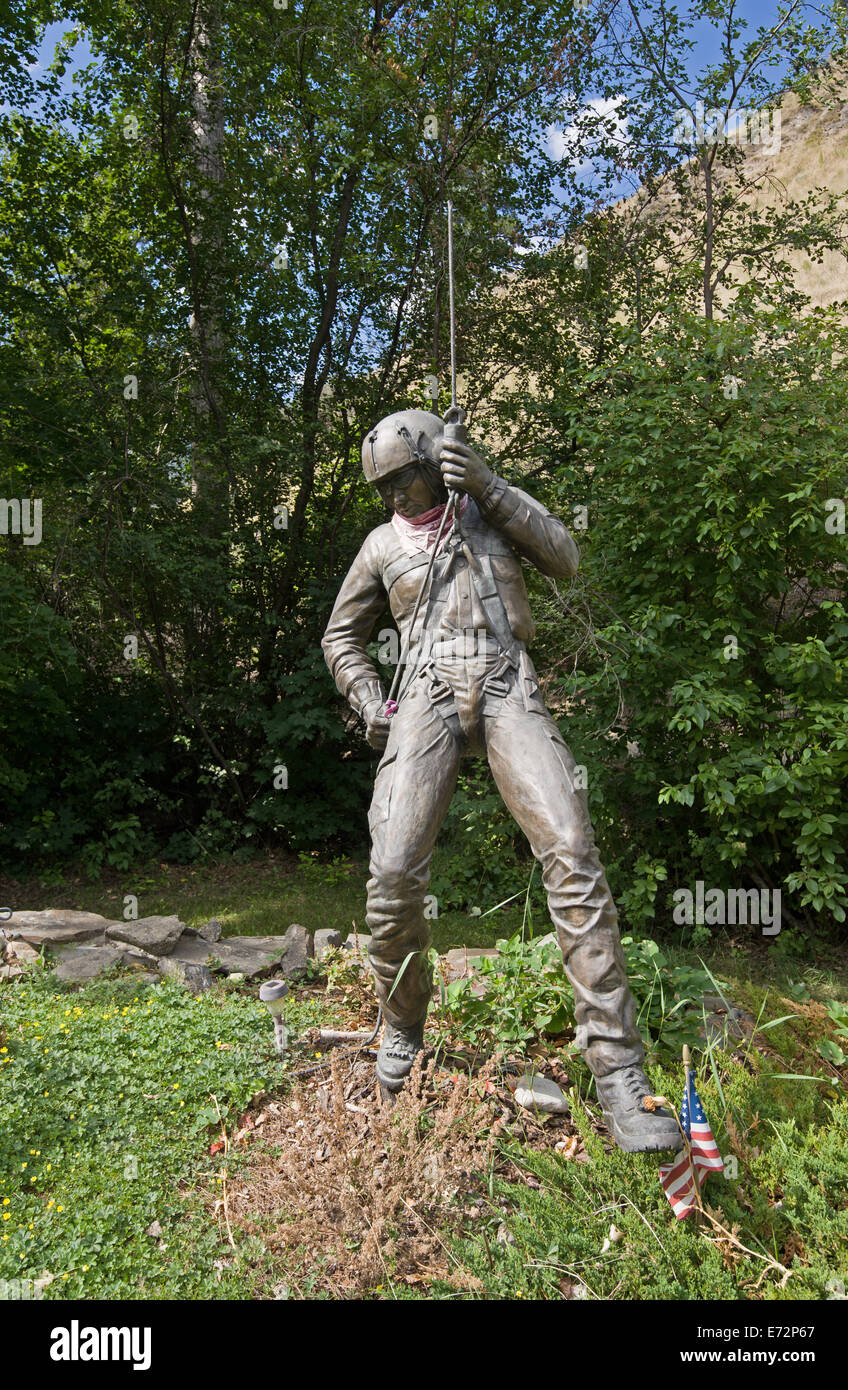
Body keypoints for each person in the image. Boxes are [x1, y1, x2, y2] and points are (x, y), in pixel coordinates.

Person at [321, 409, 679, 1151]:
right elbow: (340, 637)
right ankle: (402, 1025)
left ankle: (616, 1072)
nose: (393, 497)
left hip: (507, 680)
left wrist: (485, 480)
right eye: (382, 487)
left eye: (403, 480)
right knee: (391, 873)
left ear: (433, 462)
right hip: (421, 690)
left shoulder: (487, 508)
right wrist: (365, 700)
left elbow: (564, 556)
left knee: (571, 850)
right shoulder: (380, 545)